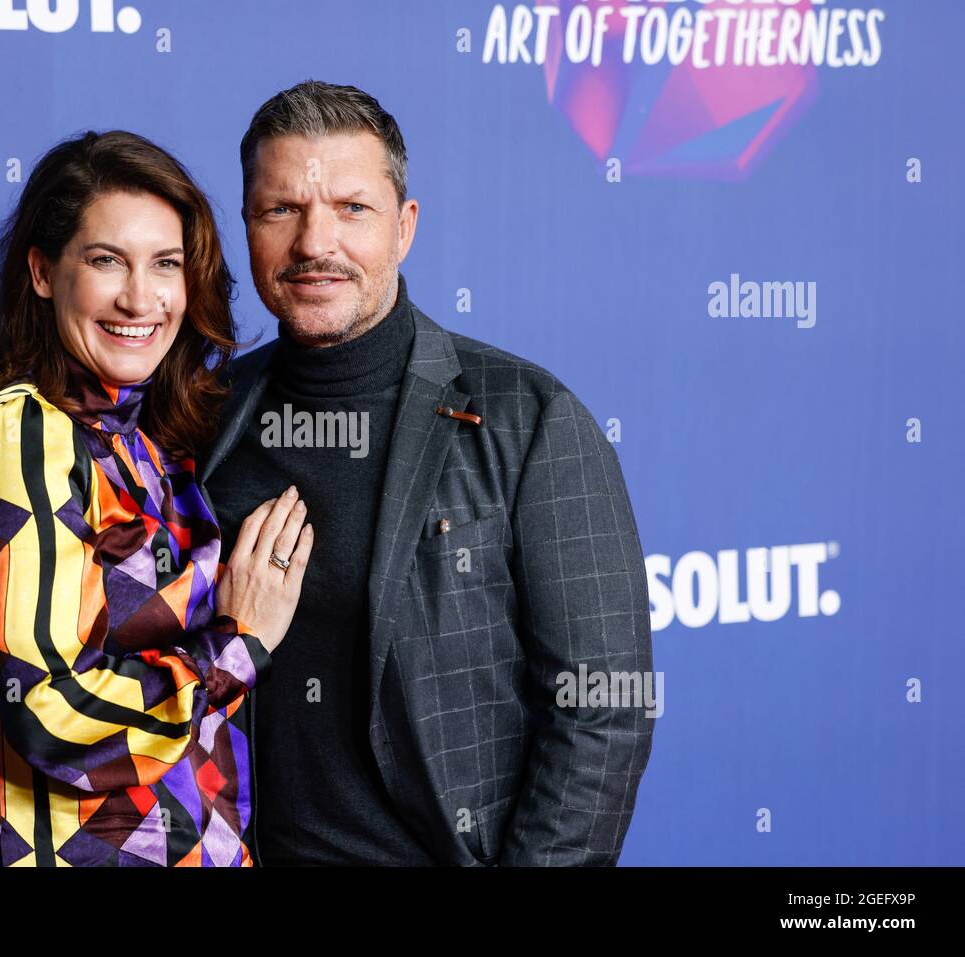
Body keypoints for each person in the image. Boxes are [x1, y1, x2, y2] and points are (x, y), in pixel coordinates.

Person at [200, 80, 656, 866]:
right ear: (246, 229)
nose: (316, 244)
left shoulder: (530, 418)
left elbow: (602, 711)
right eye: (282, 210)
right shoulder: (202, 420)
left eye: (352, 209)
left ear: (404, 228)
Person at [0, 129, 313, 867]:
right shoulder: (25, 437)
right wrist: (239, 643)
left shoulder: (143, 439)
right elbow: (49, 715)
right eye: (107, 261)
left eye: (165, 264)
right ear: (42, 271)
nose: (142, 296)